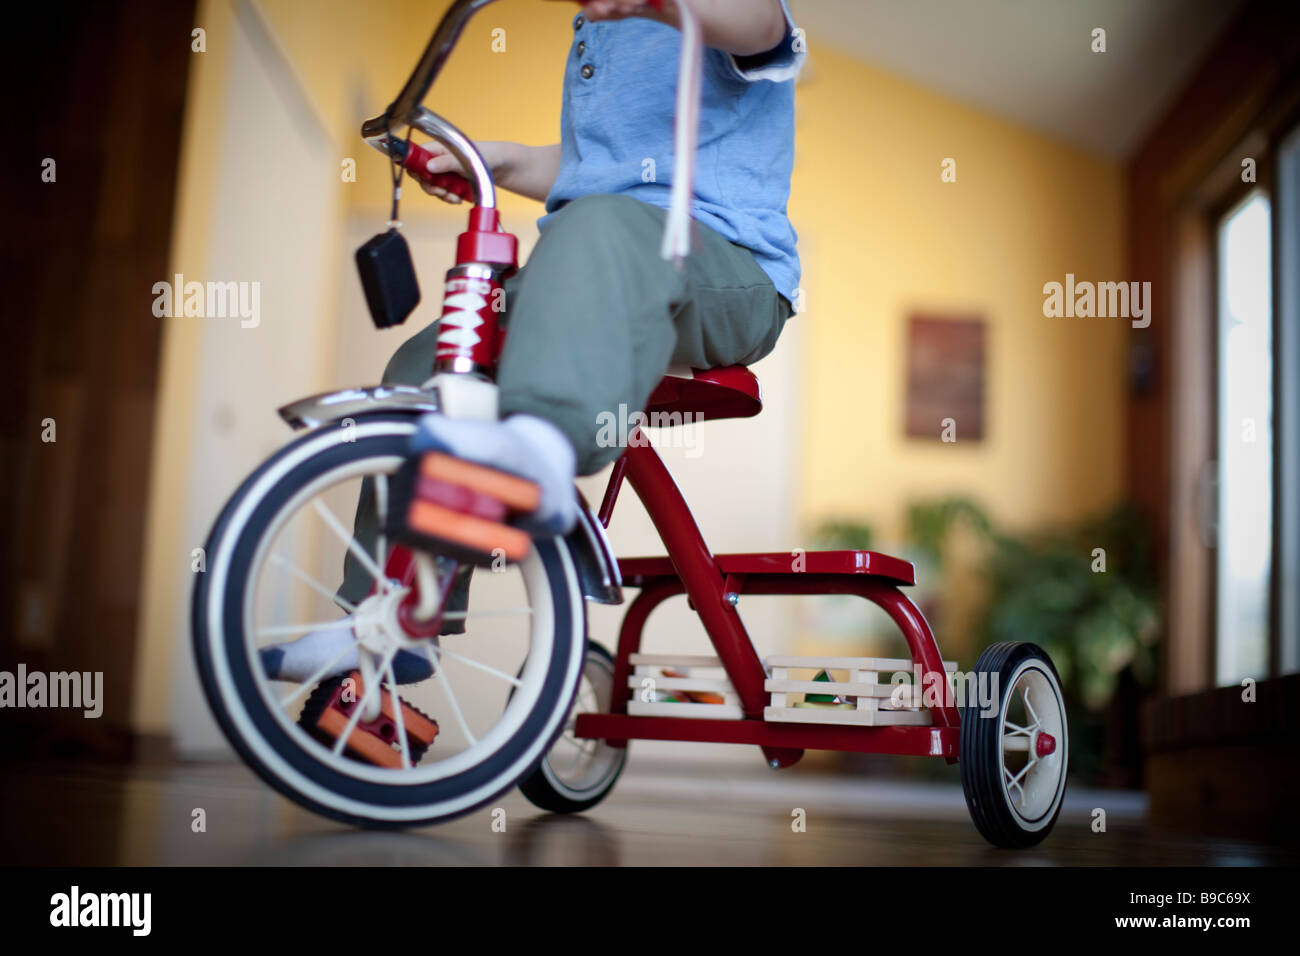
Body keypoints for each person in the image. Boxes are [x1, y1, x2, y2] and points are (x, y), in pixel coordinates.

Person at [260, 0, 804, 684]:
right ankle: (391, 615)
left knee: (599, 227)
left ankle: (540, 448)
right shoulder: (597, 31)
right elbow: (592, 172)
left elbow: (759, 27)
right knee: (424, 363)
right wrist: (497, 161)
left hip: (730, 273)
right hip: (593, 265)